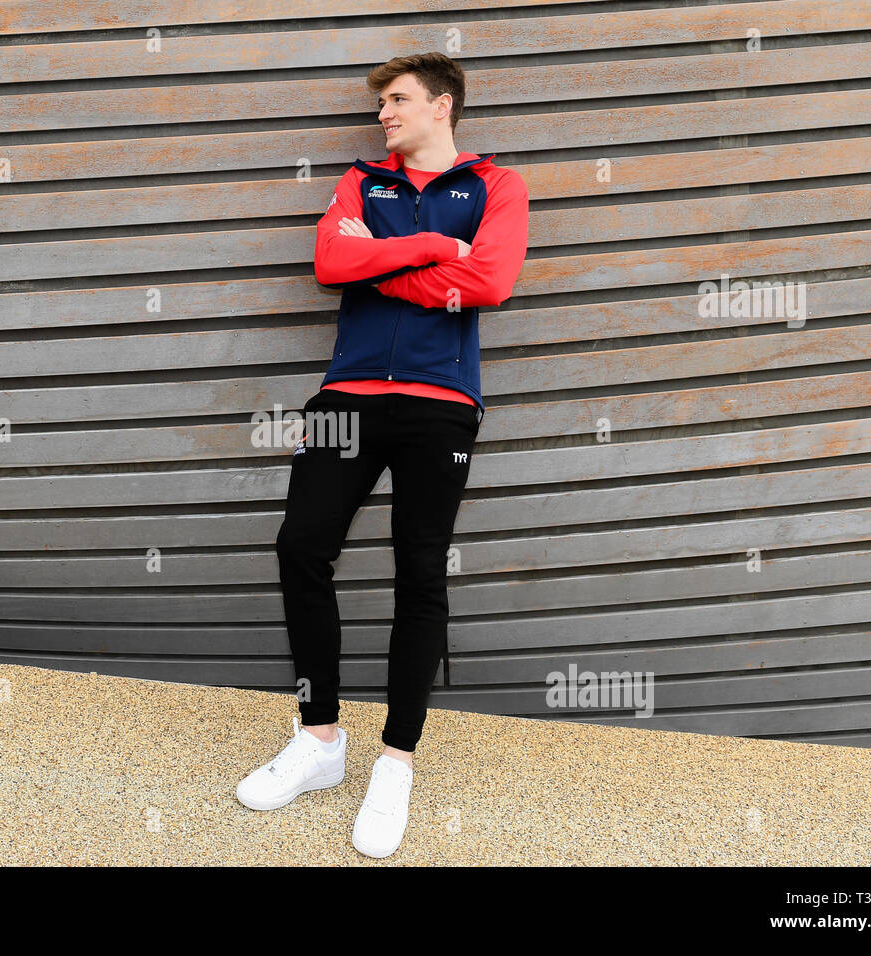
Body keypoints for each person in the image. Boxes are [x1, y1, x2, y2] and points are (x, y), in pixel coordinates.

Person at [236, 52, 529, 858]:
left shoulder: (499, 188)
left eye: (398, 101)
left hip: (441, 401)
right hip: (346, 397)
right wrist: (438, 247)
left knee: (419, 571)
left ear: (442, 106)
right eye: (381, 105)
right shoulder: (361, 182)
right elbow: (332, 263)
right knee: (301, 546)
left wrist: (388, 260)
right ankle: (321, 741)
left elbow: (492, 283)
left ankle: (395, 761)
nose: (383, 115)